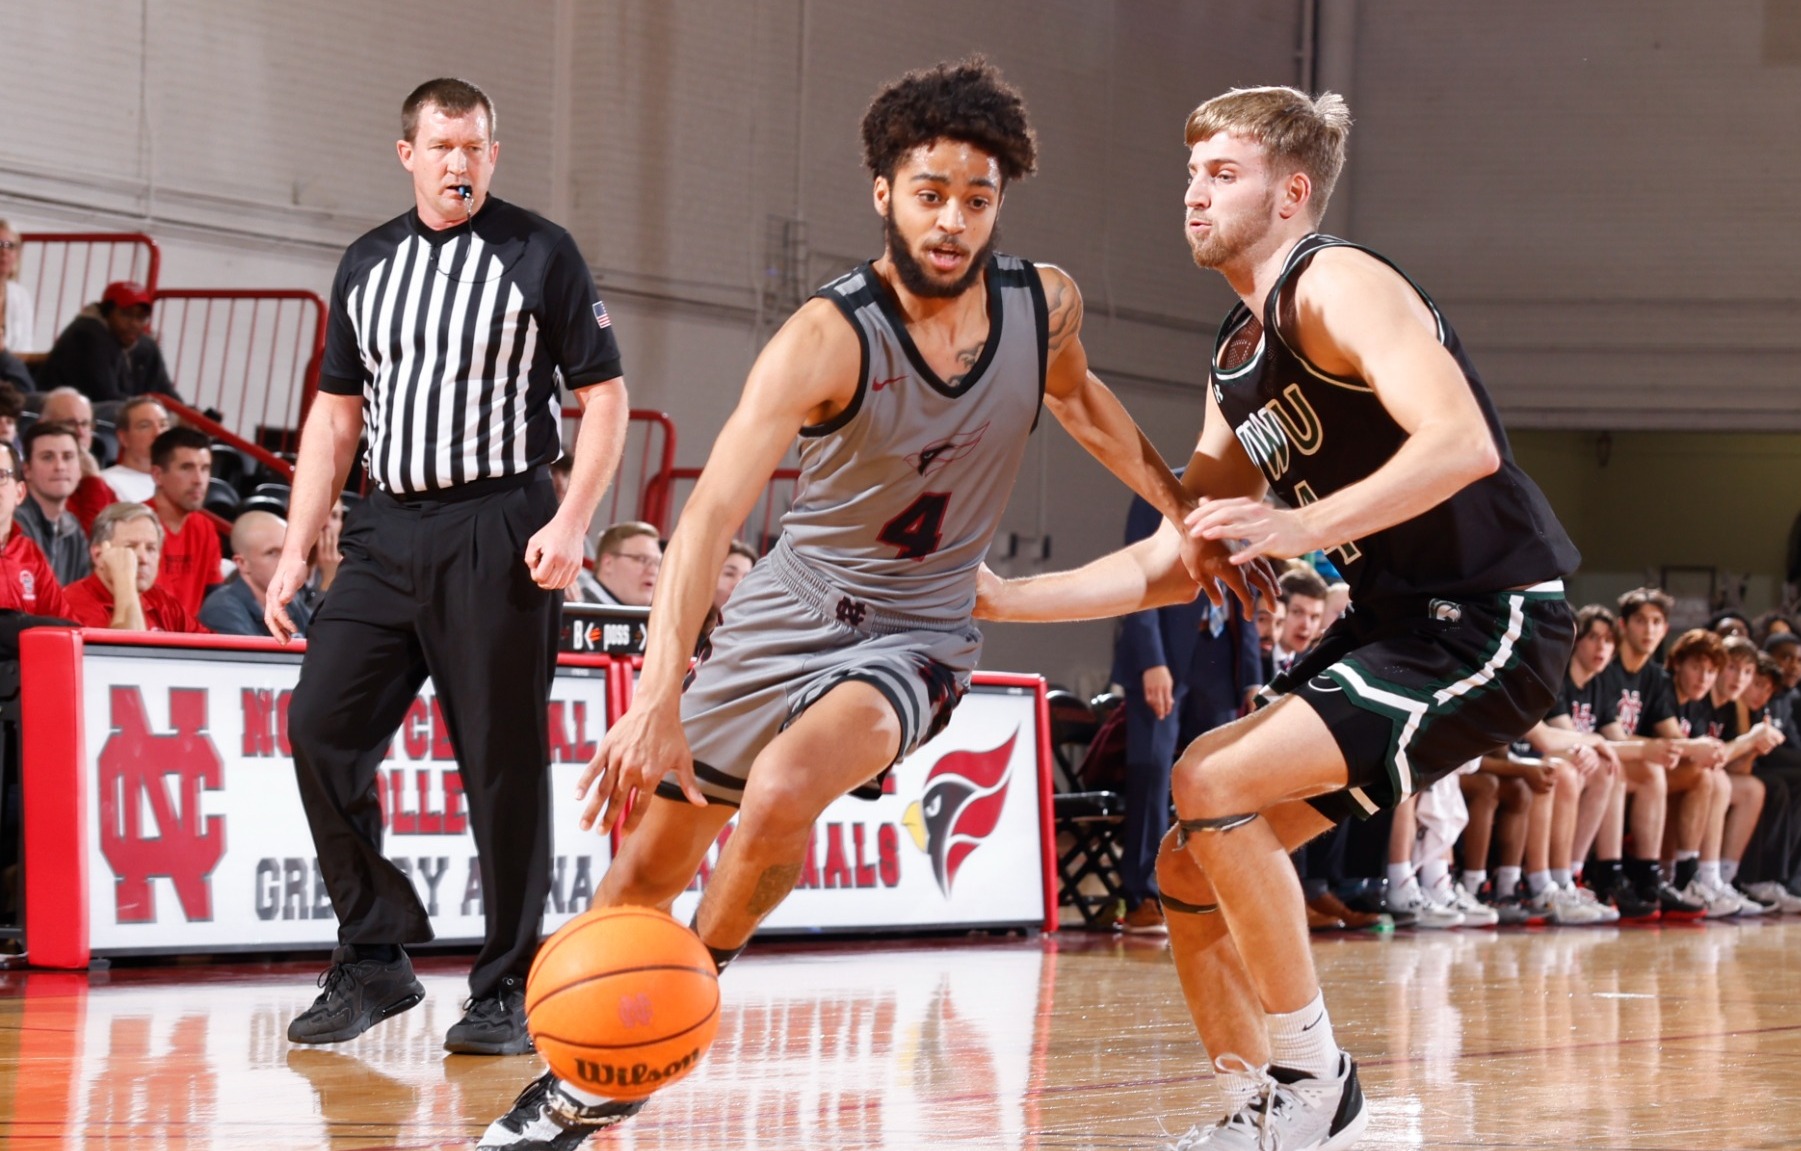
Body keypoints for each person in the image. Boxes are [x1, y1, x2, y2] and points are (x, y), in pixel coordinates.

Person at [477, 58, 1240, 1149]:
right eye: (930, 193)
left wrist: (1179, 504)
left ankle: (683, 1001)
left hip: (917, 629)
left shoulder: (1042, 304)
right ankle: (579, 1076)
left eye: (976, 198)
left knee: (786, 786)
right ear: (884, 192)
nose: (953, 220)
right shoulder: (827, 335)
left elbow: (1079, 400)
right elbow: (708, 518)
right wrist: (655, 696)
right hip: (785, 612)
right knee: (640, 876)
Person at [975, 85, 1580, 1149]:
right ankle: (1269, 1107)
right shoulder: (1235, 354)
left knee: (1209, 777)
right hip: (1395, 622)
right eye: (1191, 173)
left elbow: (1460, 443)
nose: (1193, 194)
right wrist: (1000, 597)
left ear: (1291, 193)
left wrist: (1300, 526)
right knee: (1185, 859)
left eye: (1223, 174)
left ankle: (1314, 1083)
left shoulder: (1335, 281)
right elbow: (1183, 556)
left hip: (1487, 616)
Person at [263, 77, 632, 1059]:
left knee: (501, 763)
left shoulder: (539, 252)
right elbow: (336, 414)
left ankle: (506, 985)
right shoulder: (367, 262)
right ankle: (373, 950)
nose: (459, 164)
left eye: (475, 148)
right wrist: (298, 542)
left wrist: (573, 520)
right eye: (442, 147)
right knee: (319, 726)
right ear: (408, 155)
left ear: (492, 155)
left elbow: (604, 398)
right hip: (384, 529)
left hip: (499, 523)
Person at [1113, 476, 1264, 934]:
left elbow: (1248, 587)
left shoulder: (1247, 500)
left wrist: (1252, 675)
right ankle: (1141, 894)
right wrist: (1151, 660)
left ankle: (1202, 891)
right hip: (1165, 653)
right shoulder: (1160, 490)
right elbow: (1135, 575)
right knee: (1152, 772)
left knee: (1214, 780)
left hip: (1220, 656)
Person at [61, 502, 207, 632]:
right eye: (130, 547)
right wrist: (125, 579)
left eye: (151, 548)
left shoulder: (162, 602)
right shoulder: (72, 604)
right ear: (98, 555)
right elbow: (128, 652)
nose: (143, 558)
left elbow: (211, 649)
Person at [35, 281, 178, 403]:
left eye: (141, 317)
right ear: (106, 312)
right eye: (126, 314)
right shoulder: (87, 336)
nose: (134, 323)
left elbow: (165, 390)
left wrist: (184, 413)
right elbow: (105, 398)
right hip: (64, 414)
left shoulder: (145, 345)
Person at [147, 426, 222, 616]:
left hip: (189, 633)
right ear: (157, 475)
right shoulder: (134, 525)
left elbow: (214, 597)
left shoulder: (205, 528)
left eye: (205, 468)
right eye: (186, 468)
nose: (199, 479)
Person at [200, 510, 310, 637]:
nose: (285, 562)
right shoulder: (221, 608)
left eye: (287, 552)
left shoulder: (291, 600)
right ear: (242, 563)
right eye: (272, 553)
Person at [15, 420, 90, 586]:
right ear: (27, 470)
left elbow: (82, 591)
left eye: (68, 457)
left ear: (80, 469)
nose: (60, 466)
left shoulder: (73, 526)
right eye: (47, 457)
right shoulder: (12, 522)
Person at [38, 388, 119, 532]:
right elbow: (94, 538)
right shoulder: (42, 480)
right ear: (43, 425)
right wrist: (93, 482)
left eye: (85, 424)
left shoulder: (97, 480)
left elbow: (121, 531)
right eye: (70, 423)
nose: (80, 433)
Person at [100, 395, 170, 505]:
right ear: (124, 438)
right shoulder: (106, 482)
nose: (158, 433)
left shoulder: (177, 482)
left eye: (163, 425)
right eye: (145, 426)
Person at [588, 521, 662, 606]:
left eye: (657, 562)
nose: (653, 571)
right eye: (642, 559)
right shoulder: (578, 608)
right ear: (608, 563)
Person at [0, 221, 35, 393]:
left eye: (10, 246)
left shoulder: (21, 295)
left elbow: (24, 352)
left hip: (10, 376)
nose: (4, 252)